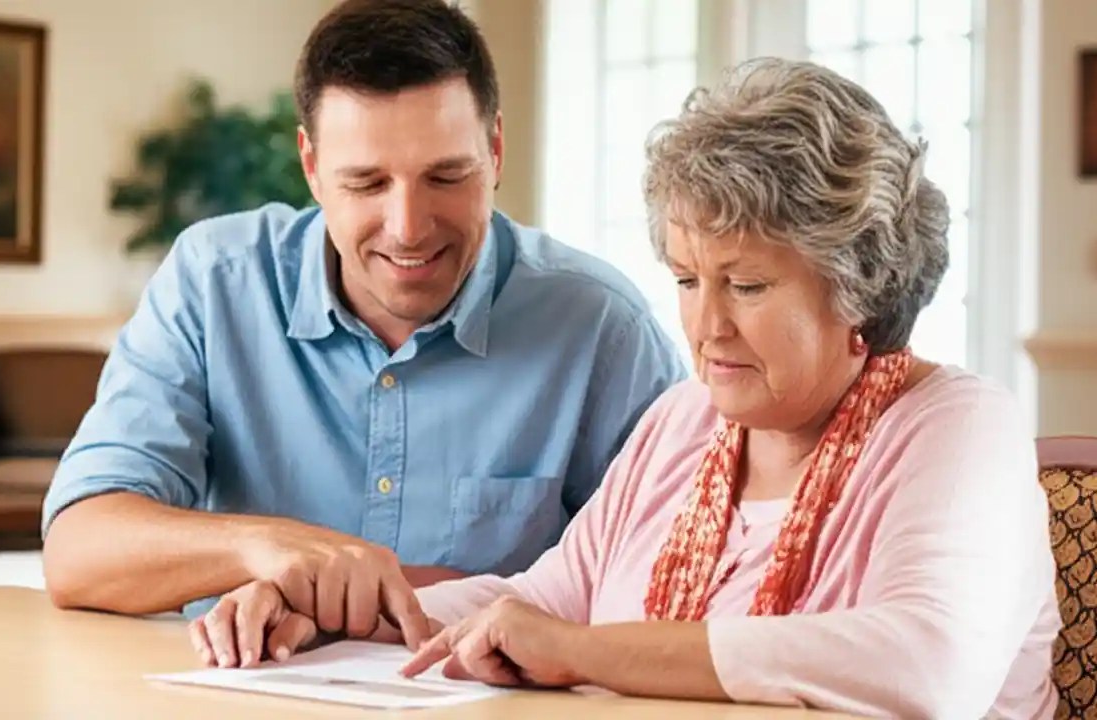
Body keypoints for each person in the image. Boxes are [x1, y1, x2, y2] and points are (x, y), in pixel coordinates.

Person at [192, 58, 1061, 717]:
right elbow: (533, 602)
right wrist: (329, 620)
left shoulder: (954, 425)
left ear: (861, 282)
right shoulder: (687, 422)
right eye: (687, 280)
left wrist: (587, 654)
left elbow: (928, 666)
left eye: (747, 286)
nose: (706, 325)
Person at [41, 0, 686, 657]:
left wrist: (322, 598)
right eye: (367, 182)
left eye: (446, 175)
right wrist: (269, 549)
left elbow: (675, 586)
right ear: (312, 167)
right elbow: (79, 550)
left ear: (494, 151)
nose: (408, 227)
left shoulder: (602, 326)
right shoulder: (214, 283)